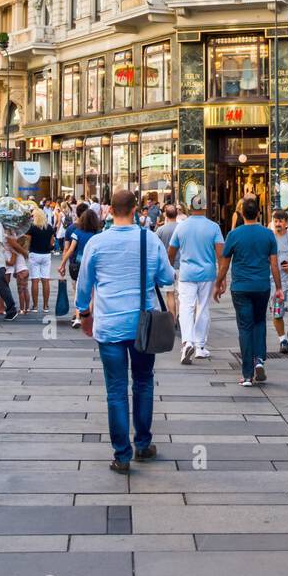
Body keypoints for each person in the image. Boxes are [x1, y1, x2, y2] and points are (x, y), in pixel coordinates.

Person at [75, 188, 174, 474]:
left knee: (116, 391)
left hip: (108, 326)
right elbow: (167, 277)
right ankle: (142, 444)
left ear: (109, 211)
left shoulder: (97, 243)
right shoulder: (149, 239)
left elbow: (84, 283)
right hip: (143, 326)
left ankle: (122, 455)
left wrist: (84, 313)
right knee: (143, 382)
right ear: (135, 210)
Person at [215, 197, 282, 387]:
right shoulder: (268, 234)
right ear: (259, 214)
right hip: (262, 286)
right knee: (260, 322)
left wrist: (218, 283)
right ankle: (259, 359)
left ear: (242, 214)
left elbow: (224, 264)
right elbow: (274, 264)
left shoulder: (234, 235)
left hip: (241, 287)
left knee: (245, 327)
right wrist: (279, 288)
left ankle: (246, 375)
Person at [168, 205, 223, 363]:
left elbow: (171, 252)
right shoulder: (213, 227)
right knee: (203, 307)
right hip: (207, 273)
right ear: (205, 209)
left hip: (187, 273)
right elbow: (221, 254)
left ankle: (187, 342)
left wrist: (170, 269)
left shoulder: (181, 227)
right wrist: (222, 278)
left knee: (186, 307)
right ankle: (200, 347)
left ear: (190, 208)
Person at [59, 204, 100, 328]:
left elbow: (70, 250)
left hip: (78, 265)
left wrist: (62, 264)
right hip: (94, 265)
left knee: (78, 290)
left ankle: (78, 317)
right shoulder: (97, 234)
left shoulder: (77, 232)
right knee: (93, 292)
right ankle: (90, 316)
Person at [270, 209, 288, 354]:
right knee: (277, 313)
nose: (278, 224)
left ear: (286, 223)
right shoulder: (269, 238)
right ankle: (282, 339)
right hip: (274, 282)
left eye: (280, 221)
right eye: (275, 221)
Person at [27, 207, 56, 314]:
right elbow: (52, 242)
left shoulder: (32, 228)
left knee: (35, 280)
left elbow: (27, 242)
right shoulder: (49, 228)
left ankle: (35, 306)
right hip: (46, 255)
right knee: (45, 280)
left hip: (34, 254)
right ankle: (46, 306)